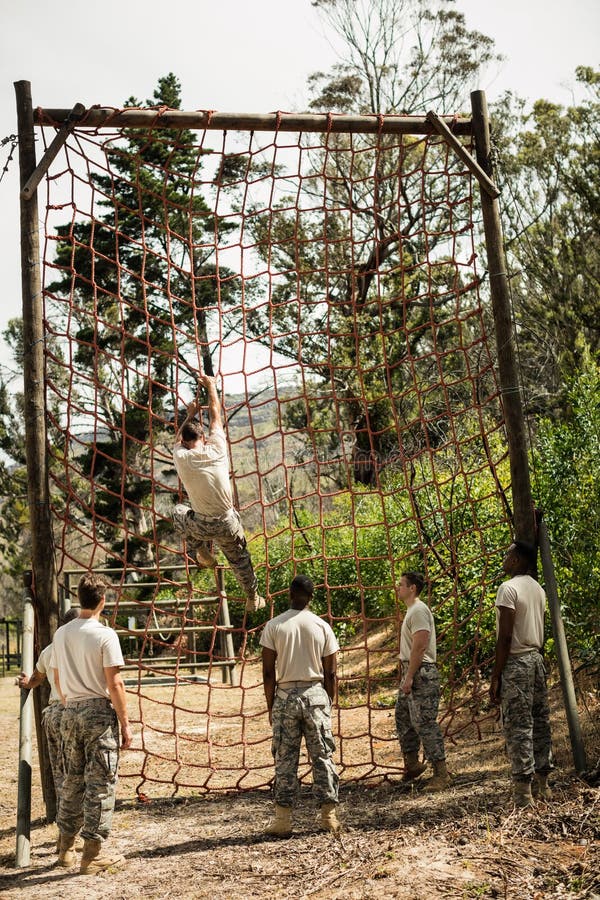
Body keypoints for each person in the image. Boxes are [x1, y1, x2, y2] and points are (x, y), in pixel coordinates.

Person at [50, 573, 132, 875]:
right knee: (100, 783)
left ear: (78, 598)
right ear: (103, 600)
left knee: (72, 780)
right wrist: (125, 723)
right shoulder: (105, 634)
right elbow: (115, 683)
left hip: (69, 711)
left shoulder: (62, 634)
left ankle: (66, 848)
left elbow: (57, 678)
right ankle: (92, 854)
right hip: (98, 713)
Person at [172, 373, 265, 614]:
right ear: (203, 438)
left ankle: (200, 550)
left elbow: (177, 438)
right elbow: (215, 414)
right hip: (226, 521)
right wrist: (211, 386)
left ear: (183, 441)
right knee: (239, 559)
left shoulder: (181, 457)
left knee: (179, 511)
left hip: (201, 524)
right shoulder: (217, 449)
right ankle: (253, 597)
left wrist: (189, 414)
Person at [260, 574, 340, 835]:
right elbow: (331, 672)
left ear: (289, 594)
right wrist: (329, 700)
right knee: (322, 756)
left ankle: (283, 820)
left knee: (285, 758)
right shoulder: (322, 626)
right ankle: (329, 816)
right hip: (316, 695)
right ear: (312, 596)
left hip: (285, 696)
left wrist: (272, 704)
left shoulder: (274, 626)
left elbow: (268, 671)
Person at [490, 540, 554, 808]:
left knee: (519, 726)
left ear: (516, 559)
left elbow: (505, 637)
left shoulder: (508, 589)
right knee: (540, 721)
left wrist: (496, 675)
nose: (504, 559)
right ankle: (544, 785)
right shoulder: (537, 588)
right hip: (536, 659)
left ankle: (523, 793)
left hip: (516, 663)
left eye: (507, 554)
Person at [17, 608, 79, 857]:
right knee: (82, 775)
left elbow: (37, 678)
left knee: (62, 776)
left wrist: (26, 682)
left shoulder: (50, 649)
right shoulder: (84, 645)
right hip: (77, 711)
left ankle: (65, 836)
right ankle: (72, 836)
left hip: (54, 714)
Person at [394, 571, 450, 791]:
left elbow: (421, 645)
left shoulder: (418, 610)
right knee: (403, 716)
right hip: (411, 669)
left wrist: (409, 676)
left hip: (421, 672)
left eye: (401, 585)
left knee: (425, 722)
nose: (398, 588)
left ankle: (441, 773)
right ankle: (412, 765)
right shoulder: (412, 610)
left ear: (412, 588)